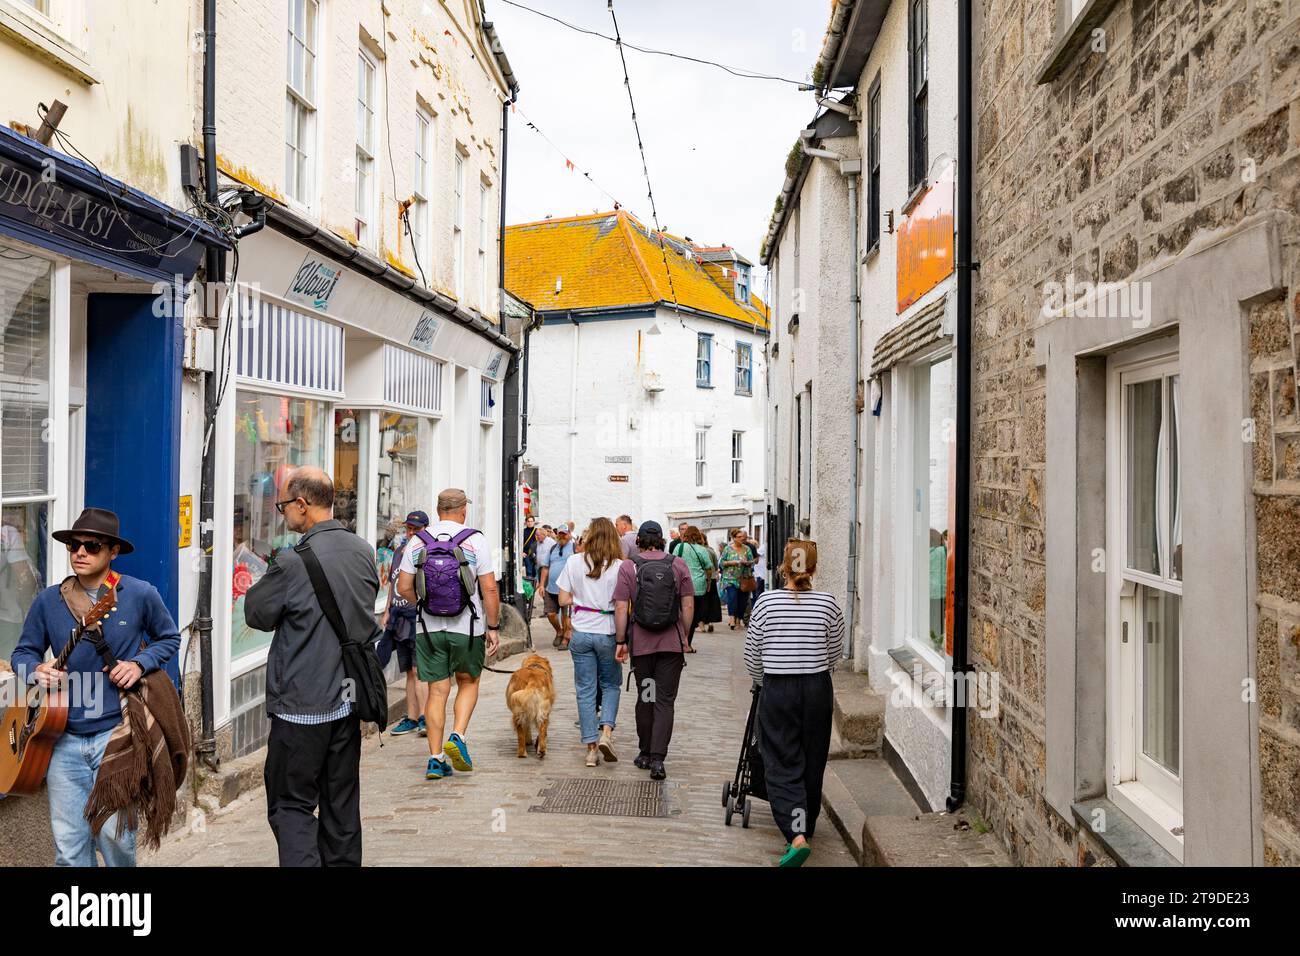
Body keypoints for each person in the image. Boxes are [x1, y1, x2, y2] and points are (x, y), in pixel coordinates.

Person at [11, 508, 181, 867]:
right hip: (61, 738)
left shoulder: (139, 594)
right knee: (70, 848)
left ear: (112, 552)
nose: (81, 552)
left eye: (92, 546)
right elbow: (22, 652)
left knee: (115, 839)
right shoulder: (48, 601)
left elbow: (168, 638)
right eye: (74, 545)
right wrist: (35, 669)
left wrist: (139, 665)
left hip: (116, 734)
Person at [243, 468, 378, 867]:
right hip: (348, 699)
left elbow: (256, 613)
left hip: (302, 704)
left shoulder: (293, 561)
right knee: (341, 804)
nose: (283, 513)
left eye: (284, 506)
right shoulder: (362, 550)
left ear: (303, 504)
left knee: (291, 806)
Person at [744, 539, 844, 868]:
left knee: (781, 758)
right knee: (812, 756)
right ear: (813, 568)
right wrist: (815, 668)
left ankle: (796, 835)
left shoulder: (766, 603)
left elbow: (752, 654)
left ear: (784, 567)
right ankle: (806, 824)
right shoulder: (827, 604)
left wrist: (762, 680)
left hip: (779, 687)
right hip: (816, 687)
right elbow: (834, 653)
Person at [397, 489, 501, 780]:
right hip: (468, 627)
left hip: (428, 630)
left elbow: (403, 587)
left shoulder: (419, 540)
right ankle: (457, 736)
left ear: (439, 509)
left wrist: (424, 602)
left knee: (436, 691)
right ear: (463, 510)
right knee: (468, 682)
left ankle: (434, 758)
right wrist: (492, 627)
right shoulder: (475, 539)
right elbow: (489, 589)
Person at [613, 521, 694, 780]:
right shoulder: (677, 564)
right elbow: (689, 605)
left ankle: (645, 752)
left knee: (646, 696)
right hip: (670, 645)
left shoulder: (629, 566)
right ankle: (659, 759)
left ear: (638, 542)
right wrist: (685, 636)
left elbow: (621, 607)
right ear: (661, 539)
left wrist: (620, 641)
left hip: (643, 646)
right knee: (665, 701)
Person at [556, 517, 624, 767]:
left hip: (581, 631)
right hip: (607, 631)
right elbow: (622, 606)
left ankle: (591, 749)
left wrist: (581, 600)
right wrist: (622, 639)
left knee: (585, 690)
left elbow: (562, 600)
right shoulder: (620, 566)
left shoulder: (574, 561)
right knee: (610, 685)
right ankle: (606, 733)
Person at [381, 511, 430, 737]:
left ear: (425, 530)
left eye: (416, 529)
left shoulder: (427, 552)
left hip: (416, 617)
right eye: (408, 529)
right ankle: (411, 717)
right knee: (408, 672)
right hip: (398, 616)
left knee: (418, 669)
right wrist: (386, 610)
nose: (410, 533)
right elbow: (393, 582)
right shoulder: (400, 551)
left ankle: (425, 717)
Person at [677, 525, 719, 651]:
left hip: (681, 584)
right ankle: (687, 643)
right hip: (698, 585)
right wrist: (708, 583)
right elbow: (708, 567)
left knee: (680, 613)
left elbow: (673, 562)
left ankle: (679, 641)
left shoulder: (680, 547)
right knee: (693, 615)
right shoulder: (701, 549)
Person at [539, 524, 575, 649]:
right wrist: (542, 585)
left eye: (564, 534)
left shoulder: (574, 547)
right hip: (551, 588)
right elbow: (545, 567)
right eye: (559, 533)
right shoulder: (553, 548)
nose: (562, 536)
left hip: (567, 588)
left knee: (566, 616)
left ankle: (566, 638)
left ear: (569, 534)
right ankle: (559, 631)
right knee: (550, 614)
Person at [720, 528, 757, 629]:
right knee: (732, 598)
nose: (742, 539)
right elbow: (721, 563)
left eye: (742, 537)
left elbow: (752, 562)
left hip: (744, 578)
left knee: (742, 601)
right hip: (730, 579)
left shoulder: (747, 549)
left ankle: (738, 620)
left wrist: (747, 562)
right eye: (739, 537)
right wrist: (731, 562)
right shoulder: (727, 549)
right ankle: (732, 618)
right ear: (733, 538)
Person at [522, 515, 539, 582]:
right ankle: (530, 588)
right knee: (529, 571)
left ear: (534, 522)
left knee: (535, 571)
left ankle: (534, 586)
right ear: (526, 522)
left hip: (535, 554)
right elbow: (519, 543)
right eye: (528, 521)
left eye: (531, 521)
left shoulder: (537, 531)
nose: (530, 523)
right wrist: (521, 552)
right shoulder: (523, 531)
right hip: (526, 554)